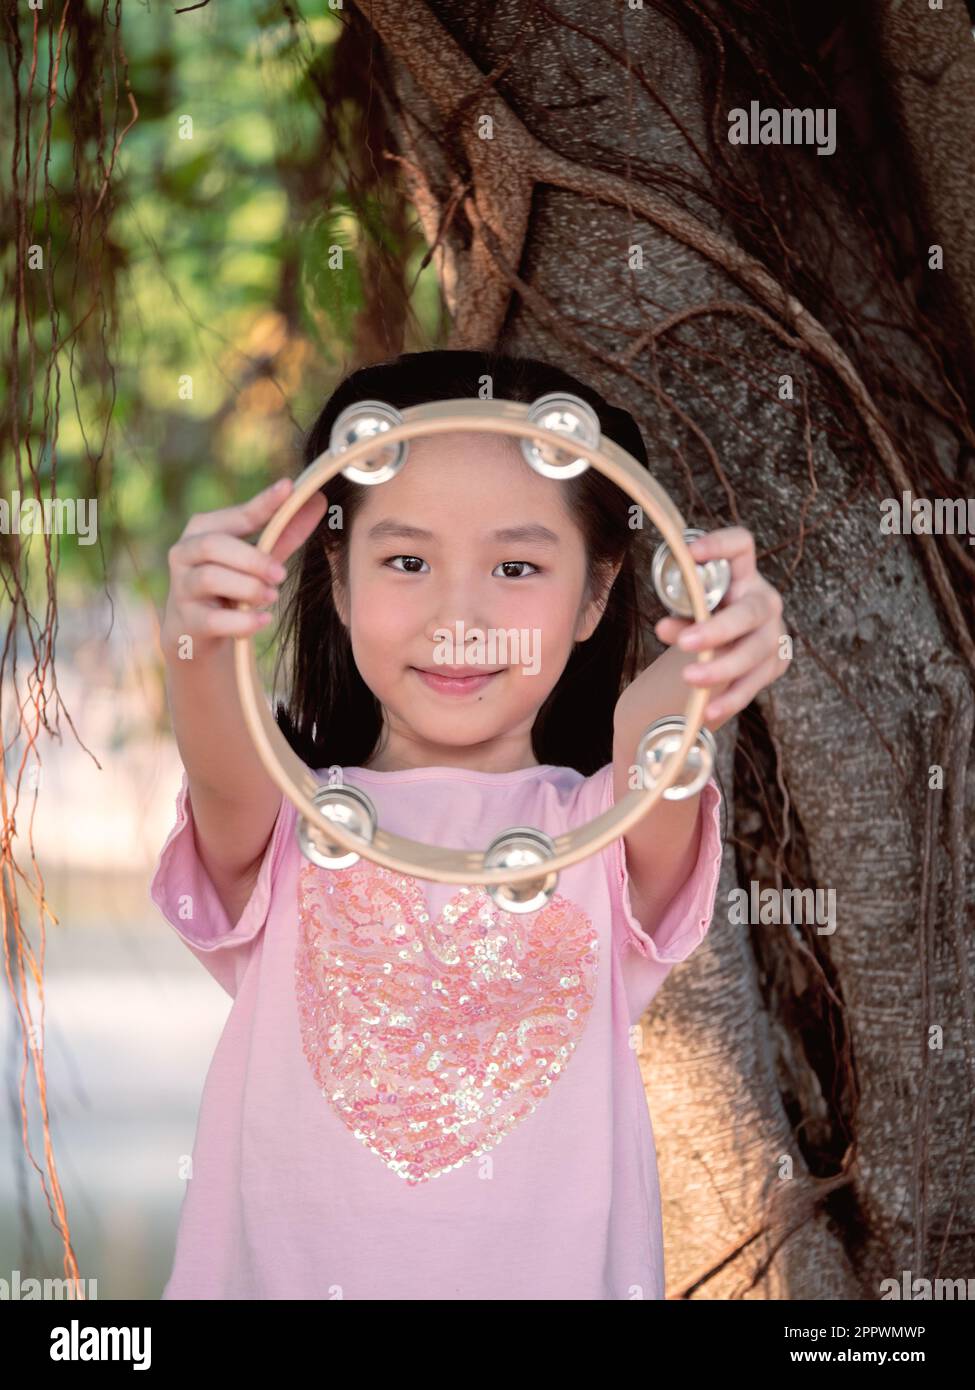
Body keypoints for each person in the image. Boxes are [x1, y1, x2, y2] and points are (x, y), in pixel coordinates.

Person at [150, 348, 787, 1299]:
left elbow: (654, 736)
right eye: (406, 561)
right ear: (337, 572)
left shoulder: (603, 834)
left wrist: (719, 635)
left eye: (516, 565)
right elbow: (218, 743)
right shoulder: (282, 823)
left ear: (598, 592)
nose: (460, 617)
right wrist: (197, 630)